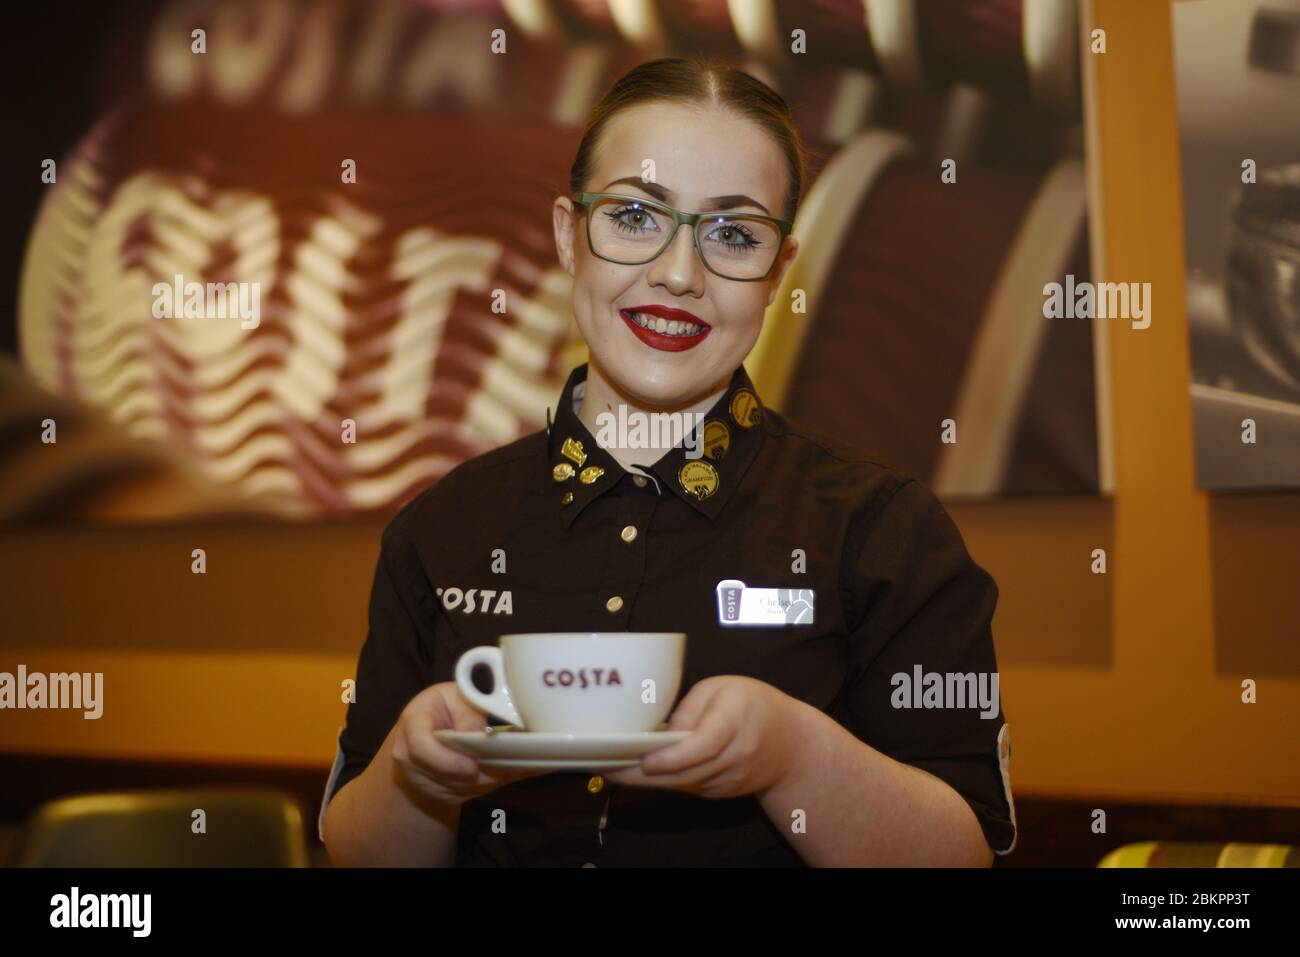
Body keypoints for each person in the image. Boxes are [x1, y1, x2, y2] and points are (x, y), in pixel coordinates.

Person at [321, 56, 1017, 867]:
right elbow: (357, 850)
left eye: (732, 234)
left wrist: (793, 755)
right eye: (634, 218)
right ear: (565, 235)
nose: (678, 275)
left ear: (777, 275)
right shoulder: (439, 530)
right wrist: (420, 773)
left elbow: (965, 856)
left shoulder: (885, 529)